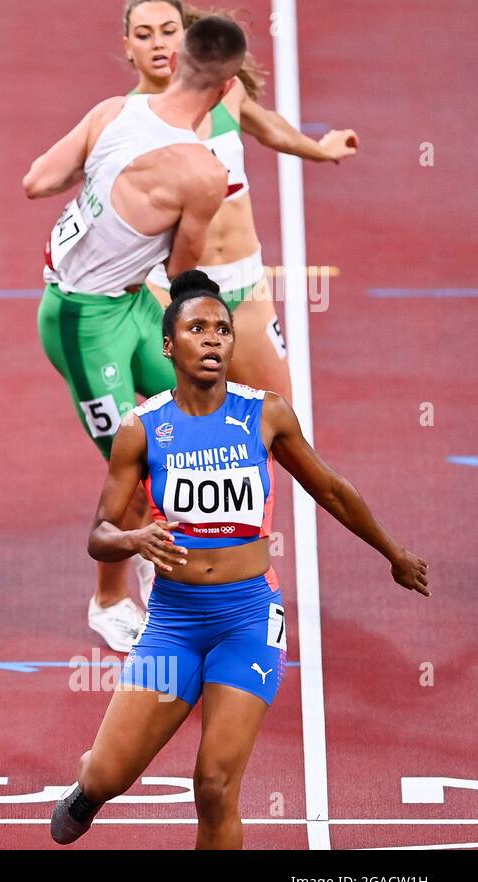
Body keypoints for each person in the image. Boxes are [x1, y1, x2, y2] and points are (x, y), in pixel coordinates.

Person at [51, 270, 428, 850]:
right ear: (170, 344)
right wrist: (134, 540)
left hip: (248, 619)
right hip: (173, 624)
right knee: (108, 773)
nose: (213, 339)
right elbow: (99, 533)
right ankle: (89, 791)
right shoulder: (142, 429)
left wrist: (393, 553)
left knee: (215, 785)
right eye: (197, 328)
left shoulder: (266, 414)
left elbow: (330, 488)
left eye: (223, 329)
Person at [23, 14, 247, 653]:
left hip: (127, 308)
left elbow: (37, 181)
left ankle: (171, 549)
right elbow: (183, 274)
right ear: (227, 81)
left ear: (179, 61)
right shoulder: (203, 173)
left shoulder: (114, 110)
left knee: (192, 417)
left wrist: (103, 193)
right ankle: (110, 598)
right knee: (134, 463)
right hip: (81, 322)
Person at [122, 0, 358, 402]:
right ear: (128, 47)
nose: (158, 43)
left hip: (245, 285)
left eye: (168, 31)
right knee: (190, 425)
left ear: (187, 37)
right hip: (169, 291)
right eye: (144, 35)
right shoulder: (124, 122)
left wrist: (320, 150)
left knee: (280, 418)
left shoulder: (225, 92)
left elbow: (266, 126)